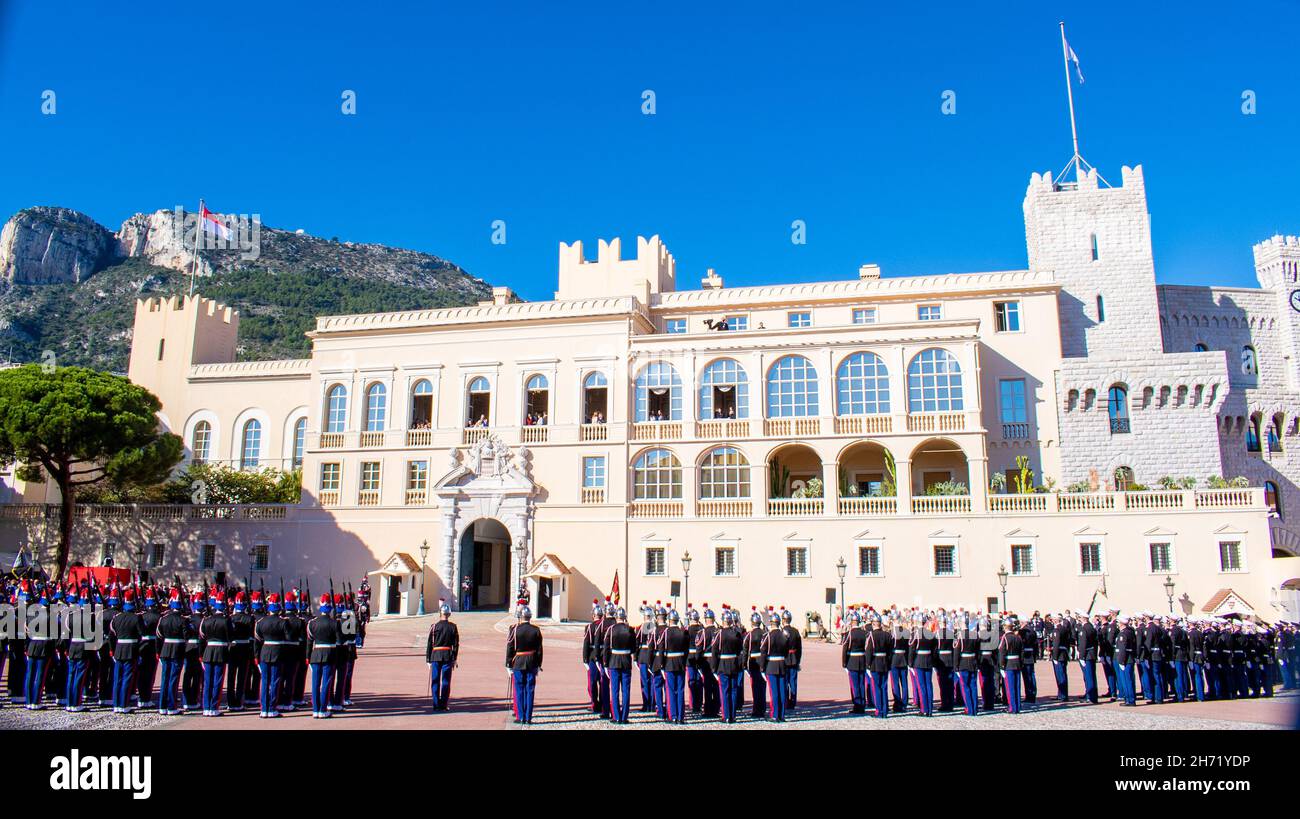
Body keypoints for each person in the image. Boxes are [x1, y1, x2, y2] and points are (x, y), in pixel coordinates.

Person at [506, 604, 543, 724]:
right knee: (530, 689)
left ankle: (521, 716)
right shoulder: (536, 630)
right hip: (532, 661)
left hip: (518, 661)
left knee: (520, 689)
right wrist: (538, 663)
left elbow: (510, 647)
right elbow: (539, 649)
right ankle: (528, 717)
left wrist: (508, 664)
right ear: (530, 617)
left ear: (520, 617)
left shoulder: (515, 629)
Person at [109, 588, 143, 714]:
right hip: (131, 649)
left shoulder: (116, 617)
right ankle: (124, 704)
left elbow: (112, 636)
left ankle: (116, 704)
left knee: (117, 678)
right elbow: (141, 634)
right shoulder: (136, 618)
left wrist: (112, 650)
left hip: (119, 649)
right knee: (127, 678)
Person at [709, 608, 745, 723]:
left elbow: (714, 652)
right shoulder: (737, 634)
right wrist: (739, 665)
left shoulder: (719, 634)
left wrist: (714, 668)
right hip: (734, 664)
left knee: (724, 691)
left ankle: (726, 716)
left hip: (723, 664)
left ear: (723, 621)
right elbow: (741, 651)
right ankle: (733, 715)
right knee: (733, 690)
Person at [156, 588, 188, 715]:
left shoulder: (163, 619)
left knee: (165, 679)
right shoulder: (183, 620)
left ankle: (162, 706)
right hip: (177, 650)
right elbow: (187, 637)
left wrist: (158, 651)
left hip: (165, 650)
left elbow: (159, 637)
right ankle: (171, 706)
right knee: (173, 679)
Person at [602, 606, 636, 724]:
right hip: (626, 660)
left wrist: (605, 663)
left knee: (615, 690)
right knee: (626, 690)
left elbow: (606, 649)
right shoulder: (630, 630)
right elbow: (633, 648)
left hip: (614, 661)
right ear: (625, 617)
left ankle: (616, 716)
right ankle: (624, 716)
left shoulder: (611, 630)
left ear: (616, 617)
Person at [199, 589, 230, 716]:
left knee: (207, 681)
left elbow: (202, 638)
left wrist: (201, 655)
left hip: (208, 651)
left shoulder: (206, 620)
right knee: (217, 680)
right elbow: (229, 637)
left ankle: (206, 707)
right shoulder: (226, 620)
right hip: (220, 651)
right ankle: (214, 707)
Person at [307, 593, 338, 718]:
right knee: (326, 683)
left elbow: (309, 642)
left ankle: (315, 710)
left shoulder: (312, 623)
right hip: (329, 653)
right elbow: (339, 639)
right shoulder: (335, 623)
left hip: (316, 654)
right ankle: (323, 710)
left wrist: (308, 657)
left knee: (315, 684)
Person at [255, 593, 286, 718]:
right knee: (274, 681)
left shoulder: (261, 622)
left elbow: (257, 640)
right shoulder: (282, 622)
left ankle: (264, 709)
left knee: (265, 681)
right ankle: (272, 708)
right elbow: (287, 636)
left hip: (265, 651)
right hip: (277, 652)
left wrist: (256, 655)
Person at [426, 600, 459, 711]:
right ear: (449, 614)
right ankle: (443, 704)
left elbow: (429, 643)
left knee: (435, 680)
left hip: (435, 655)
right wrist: (454, 658)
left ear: (440, 613)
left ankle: (436, 704)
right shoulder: (453, 627)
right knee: (445, 681)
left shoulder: (434, 626)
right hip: (447, 655)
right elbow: (455, 644)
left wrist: (428, 659)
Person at [226, 590, 254, 712]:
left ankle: (230, 702)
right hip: (244, 648)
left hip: (233, 648)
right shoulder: (250, 618)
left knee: (231, 677)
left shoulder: (230, 618)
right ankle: (239, 702)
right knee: (241, 677)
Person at [660, 609, 690, 723]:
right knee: (680, 690)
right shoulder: (683, 631)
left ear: (669, 620)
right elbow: (686, 649)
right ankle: (680, 716)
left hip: (669, 663)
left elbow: (662, 649)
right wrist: (683, 660)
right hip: (680, 662)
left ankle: (673, 716)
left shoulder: (666, 632)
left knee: (671, 690)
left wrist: (662, 663)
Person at [760, 610, 788, 722]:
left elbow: (763, 651)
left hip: (771, 665)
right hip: (782, 664)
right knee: (782, 691)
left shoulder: (768, 636)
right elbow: (786, 652)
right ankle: (782, 714)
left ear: (771, 623)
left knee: (774, 692)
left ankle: (775, 715)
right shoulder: (784, 635)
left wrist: (762, 667)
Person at [842, 610, 868, 714]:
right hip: (862, 659)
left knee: (855, 684)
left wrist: (844, 663)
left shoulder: (849, 634)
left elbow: (845, 648)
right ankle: (862, 704)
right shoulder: (864, 633)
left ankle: (857, 705)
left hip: (852, 660)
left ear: (852, 622)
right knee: (862, 683)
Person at [997, 617, 1025, 714]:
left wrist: (1001, 666)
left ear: (1005, 627)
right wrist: (1021, 663)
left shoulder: (1005, 638)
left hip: (1009, 664)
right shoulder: (1018, 637)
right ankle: (1017, 706)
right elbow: (1022, 652)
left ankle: (1012, 707)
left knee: (1010, 687)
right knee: (1017, 687)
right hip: (1017, 663)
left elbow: (1002, 652)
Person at [581, 599, 603, 713]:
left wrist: (584, 658)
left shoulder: (589, 627)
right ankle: (603, 704)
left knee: (592, 683)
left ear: (594, 615)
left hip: (592, 657)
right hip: (603, 657)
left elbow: (586, 644)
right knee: (603, 682)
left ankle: (595, 704)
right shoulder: (606, 626)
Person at [780, 609, 802, 710]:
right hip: (793, 659)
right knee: (793, 682)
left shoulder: (781, 632)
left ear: (783, 620)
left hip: (784, 659)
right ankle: (793, 702)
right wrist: (798, 660)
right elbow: (799, 648)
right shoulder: (795, 631)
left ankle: (785, 701)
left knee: (784, 682)